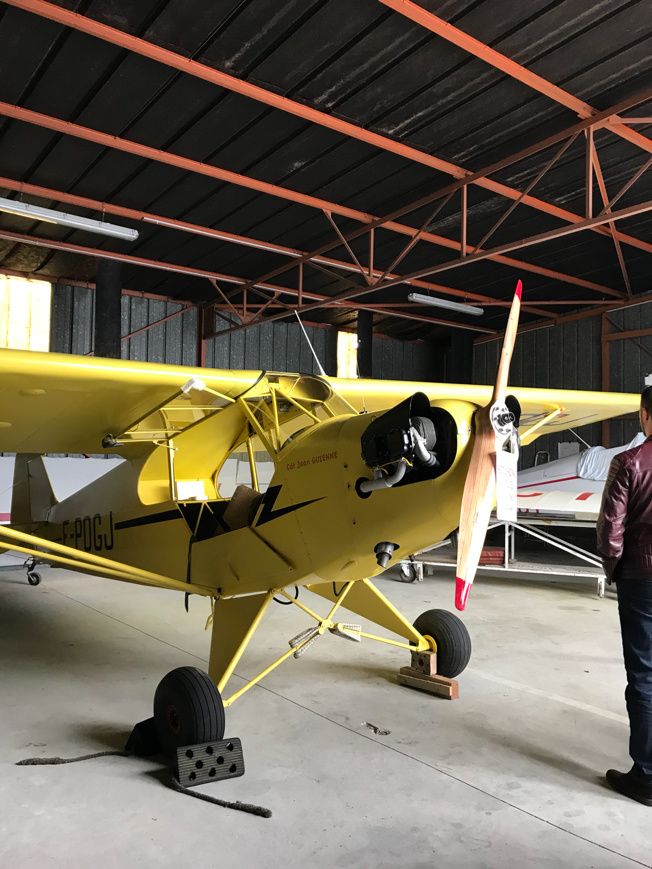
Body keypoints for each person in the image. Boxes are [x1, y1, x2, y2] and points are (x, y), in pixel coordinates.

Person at [597, 386, 652, 807]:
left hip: (642, 580)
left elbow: (610, 529)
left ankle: (646, 776)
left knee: (645, 676)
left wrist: (614, 570)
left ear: (645, 416)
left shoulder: (628, 462)